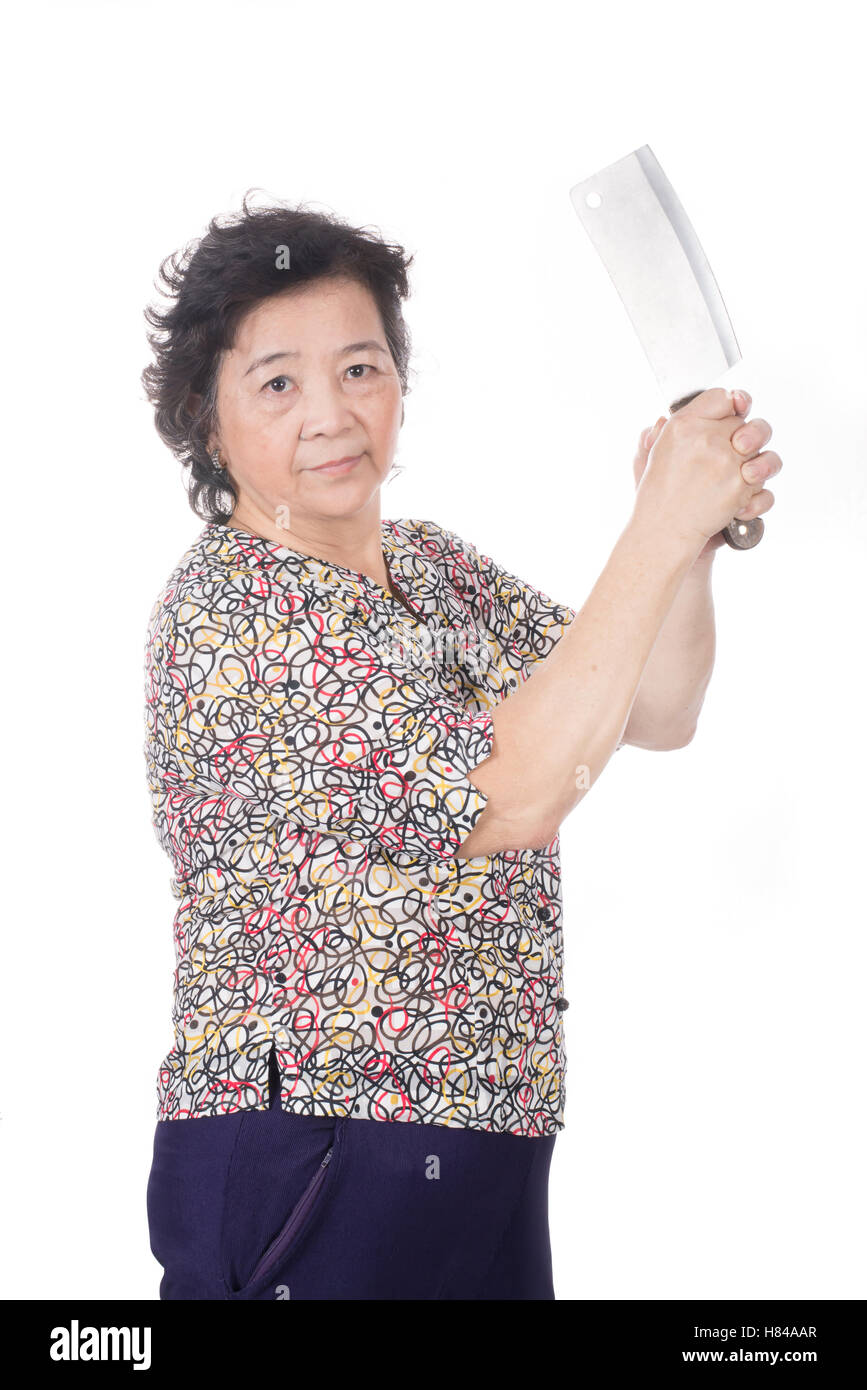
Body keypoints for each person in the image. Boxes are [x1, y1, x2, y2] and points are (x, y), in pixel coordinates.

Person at [141, 191, 781, 1301]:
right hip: (318, 1146)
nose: (332, 412)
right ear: (207, 420)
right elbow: (511, 792)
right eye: (278, 381)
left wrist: (686, 540)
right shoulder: (231, 614)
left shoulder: (435, 571)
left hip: (491, 1136)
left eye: (361, 366)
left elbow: (653, 702)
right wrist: (657, 526)